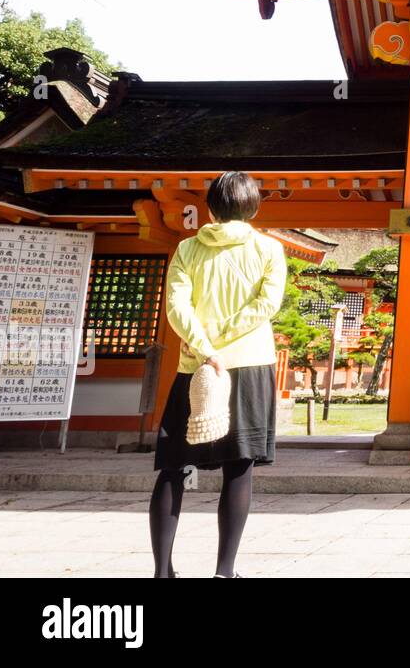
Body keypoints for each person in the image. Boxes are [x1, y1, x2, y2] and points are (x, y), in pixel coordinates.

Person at [149, 171, 287, 578]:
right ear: (254, 207)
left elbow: (176, 307)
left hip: (195, 367)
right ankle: (224, 572)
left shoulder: (186, 249)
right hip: (248, 364)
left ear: (210, 207)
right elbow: (267, 304)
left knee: (173, 467)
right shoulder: (269, 248)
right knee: (238, 467)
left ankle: (162, 572)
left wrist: (204, 346)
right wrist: (225, 340)